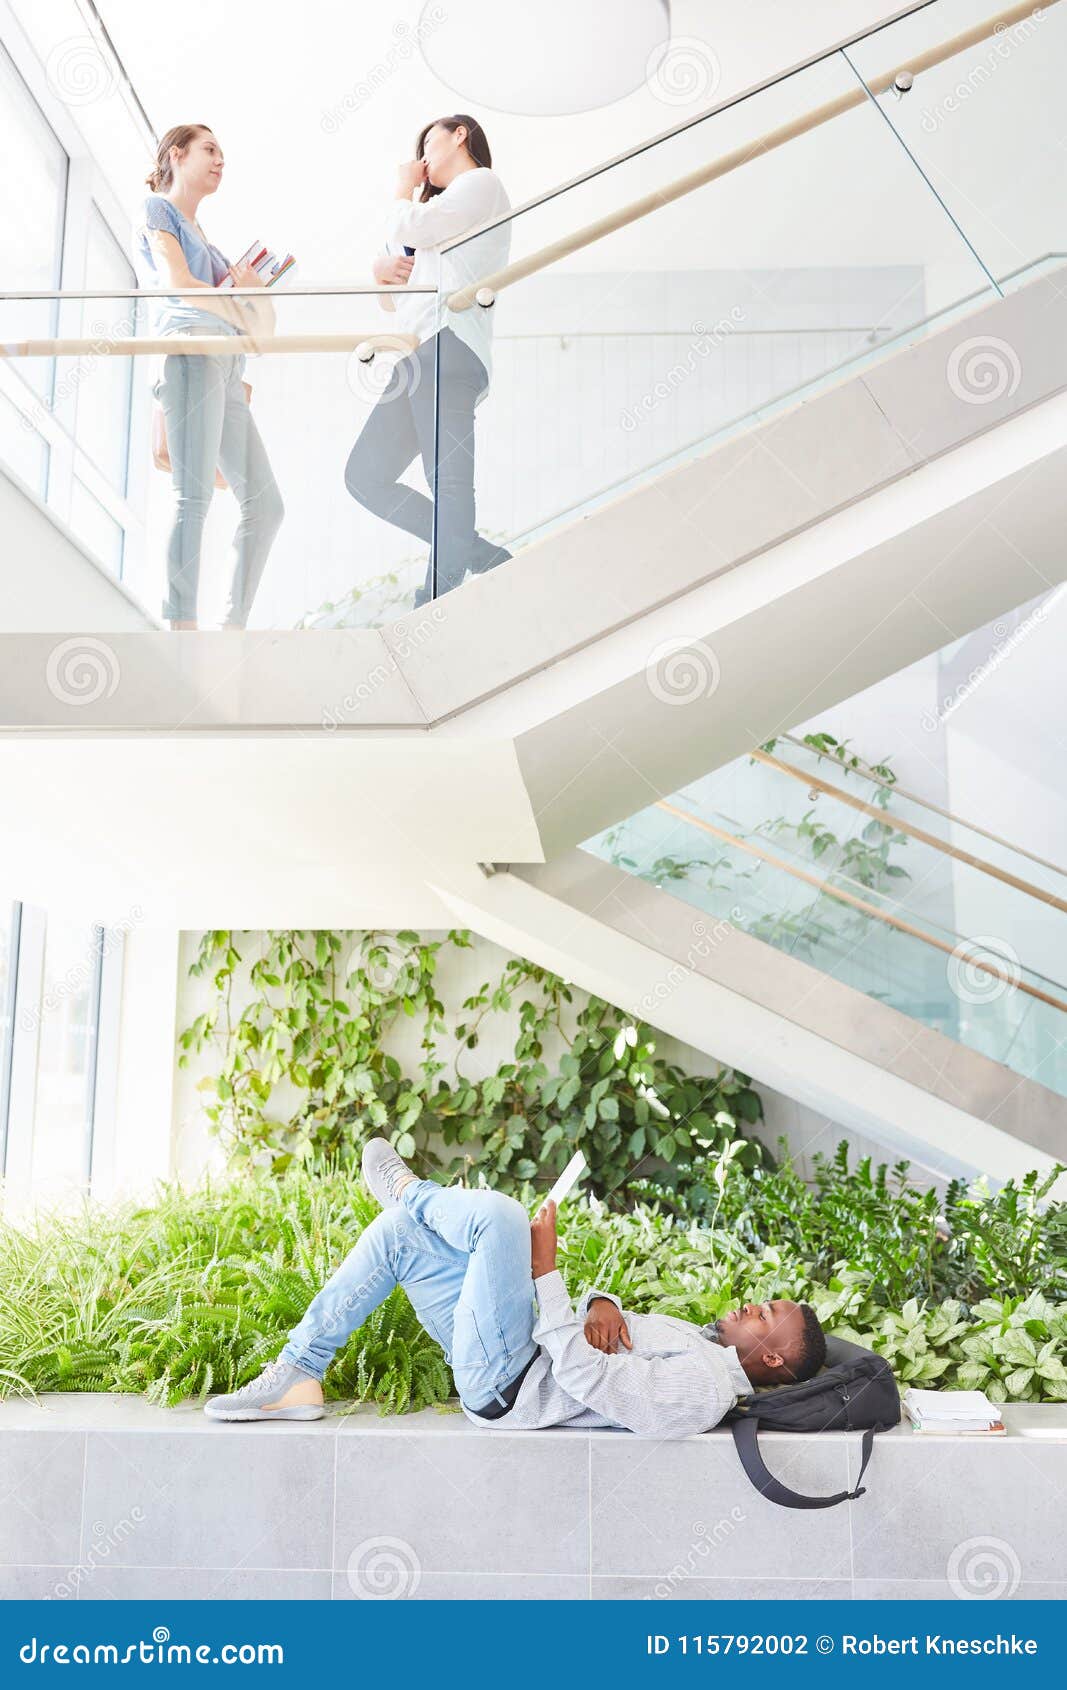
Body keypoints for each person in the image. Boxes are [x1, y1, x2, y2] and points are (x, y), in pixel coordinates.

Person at [204, 1139, 827, 1431]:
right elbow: (605, 1341)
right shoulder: (701, 1346)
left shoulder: (704, 1387)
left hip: (508, 1383)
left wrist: (545, 1271)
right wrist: (602, 1302)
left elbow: (587, 1378)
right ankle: (297, 1374)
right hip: (510, 1348)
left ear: (771, 1355)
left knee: (499, 1217)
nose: (752, 1303)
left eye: (765, 1312)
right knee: (400, 1236)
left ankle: (408, 1187)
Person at [344, 115, 512, 608]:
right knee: (365, 476)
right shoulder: (437, 213)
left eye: (428, 143)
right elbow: (392, 301)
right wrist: (380, 273)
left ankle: (437, 594)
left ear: (459, 135)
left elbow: (418, 224)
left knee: (447, 477)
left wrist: (400, 189)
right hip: (418, 353)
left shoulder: (480, 185)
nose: (421, 156)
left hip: (450, 342)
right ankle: (478, 555)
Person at [133, 124, 284, 630]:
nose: (221, 160)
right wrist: (242, 304)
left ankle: (230, 628)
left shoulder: (215, 251)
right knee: (192, 495)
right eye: (210, 149)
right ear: (177, 154)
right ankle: (180, 625)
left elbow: (264, 333)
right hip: (194, 349)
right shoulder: (159, 209)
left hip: (227, 363)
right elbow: (179, 285)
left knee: (266, 506)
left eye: (223, 153)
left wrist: (253, 292)